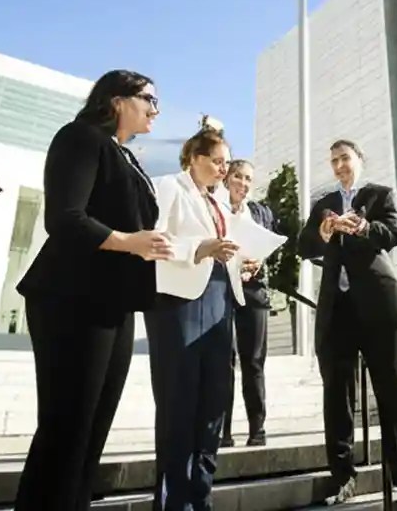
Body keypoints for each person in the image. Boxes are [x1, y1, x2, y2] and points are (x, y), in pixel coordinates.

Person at [13, 70, 173, 511]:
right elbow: (65, 217)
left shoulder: (127, 156)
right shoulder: (80, 138)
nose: (156, 110)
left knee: (92, 431)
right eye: (149, 99)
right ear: (117, 100)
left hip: (114, 302)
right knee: (67, 427)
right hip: (72, 297)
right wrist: (128, 242)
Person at [299, 140, 397, 510]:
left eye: (345, 158)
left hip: (379, 306)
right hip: (337, 311)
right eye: (333, 160)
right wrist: (323, 234)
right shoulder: (323, 203)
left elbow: (394, 232)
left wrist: (365, 227)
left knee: (392, 391)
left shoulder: (379, 195)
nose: (339, 166)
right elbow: (304, 245)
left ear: (359, 161)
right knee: (337, 395)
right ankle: (342, 476)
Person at [145, 121, 244, 511]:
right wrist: (198, 249)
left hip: (220, 301)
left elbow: (226, 247)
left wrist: (242, 263)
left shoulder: (219, 203)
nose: (224, 169)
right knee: (179, 406)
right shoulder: (169, 186)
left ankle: (201, 497)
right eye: (217, 161)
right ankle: (174, 502)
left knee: (213, 406)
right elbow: (151, 239)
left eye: (227, 163)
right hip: (179, 305)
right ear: (194, 158)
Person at [221, 159, 275, 448]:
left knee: (253, 361)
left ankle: (257, 429)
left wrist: (259, 262)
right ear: (227, 179)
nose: (243, 183)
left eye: (248, 179)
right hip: (221, 291)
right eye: (238, 177)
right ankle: (223, 432)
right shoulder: (213, 208)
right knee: (223, 362)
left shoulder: (259, 212)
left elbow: (267, 248)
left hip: (253, 293)